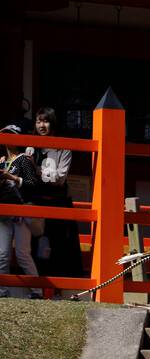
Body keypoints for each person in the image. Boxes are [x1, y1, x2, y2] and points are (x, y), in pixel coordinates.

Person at [32, 107, 84, 291]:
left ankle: (61, 287)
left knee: (61, 243)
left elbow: (60, 179)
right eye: (38, 121)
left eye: (45, 121)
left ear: (52, 122)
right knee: (37, 242)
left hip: (58, 200)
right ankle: (39, 285)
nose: (41, 125)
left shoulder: (63, 147)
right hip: (38, 199)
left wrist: (37, 170)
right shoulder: (31, 146)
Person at [0, 124, 41, 299]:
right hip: (3, 210)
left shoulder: (24, 159)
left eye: (12, 135)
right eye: (5, 135)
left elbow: (33, 184)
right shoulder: (2, 160)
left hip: (21, 210)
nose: (8, 138)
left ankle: (36, 290)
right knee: (2, 253)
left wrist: (12, 177)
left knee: (22, 253)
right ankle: (2, 291)